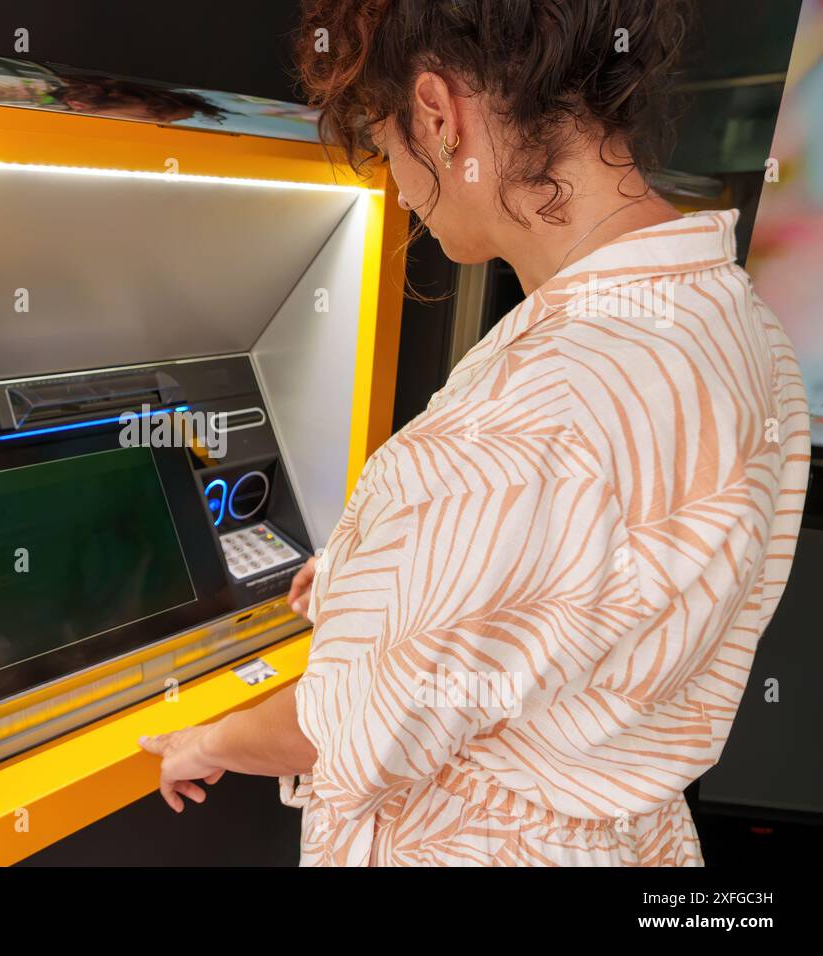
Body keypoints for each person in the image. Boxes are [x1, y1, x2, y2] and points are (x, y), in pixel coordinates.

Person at [139, 0, 812, 866]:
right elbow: (580, 579)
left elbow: (349, 724)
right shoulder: (738, 324)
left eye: (386, 146)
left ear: (436, 112)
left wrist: (211, 740)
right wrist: (373, 578)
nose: (399, 186)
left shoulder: (534, 410)